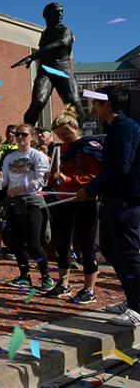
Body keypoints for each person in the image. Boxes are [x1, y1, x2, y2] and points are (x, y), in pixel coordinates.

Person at [74, 86, 140, 326]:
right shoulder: (113, 128)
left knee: (128, 252)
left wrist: (90, 190)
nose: (93, 107)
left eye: (96, 103)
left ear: (108, 104)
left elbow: (120, 167)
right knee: (110, 249)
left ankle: (137, 307)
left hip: (126, 199)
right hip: (112, 198)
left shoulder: (126, 127)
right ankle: (132, 299)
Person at [44, 106, 102, 303]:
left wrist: (69, 179)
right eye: (60, 135)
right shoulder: (59, 149)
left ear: (75, 127)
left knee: (85, 244)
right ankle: (63, 283)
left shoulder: (89, 146)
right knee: (62, 242)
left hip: (83, 200)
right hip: (62, 200)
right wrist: (51, 177)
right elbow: (55, 175)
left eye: (66, 133)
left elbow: (95, 175)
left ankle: (89, 288)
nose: (63, 138)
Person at [0, 124, 53, 289]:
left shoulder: (38, 156)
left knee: (34, 242)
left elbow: (42, 180)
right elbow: (4, 182)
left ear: (32, 137)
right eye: (18, 134)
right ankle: (24, 275)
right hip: (13, 202)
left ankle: (46, 276)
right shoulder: (9, 158)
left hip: (32, 201)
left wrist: (21, 187)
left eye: (24, 134)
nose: (20, 137)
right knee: (15, 242)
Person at [13, 2, 85, 124]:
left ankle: (80, 132)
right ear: (47, 15)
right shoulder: (45, 34)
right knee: (38, 102)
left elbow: (62, 42)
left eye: (61, 11)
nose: (60, 14)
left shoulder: (65, 29)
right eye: (56, 12)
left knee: (74, 102)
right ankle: (27, 130)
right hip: (46, 72)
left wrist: (32, 56)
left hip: (63, 71)